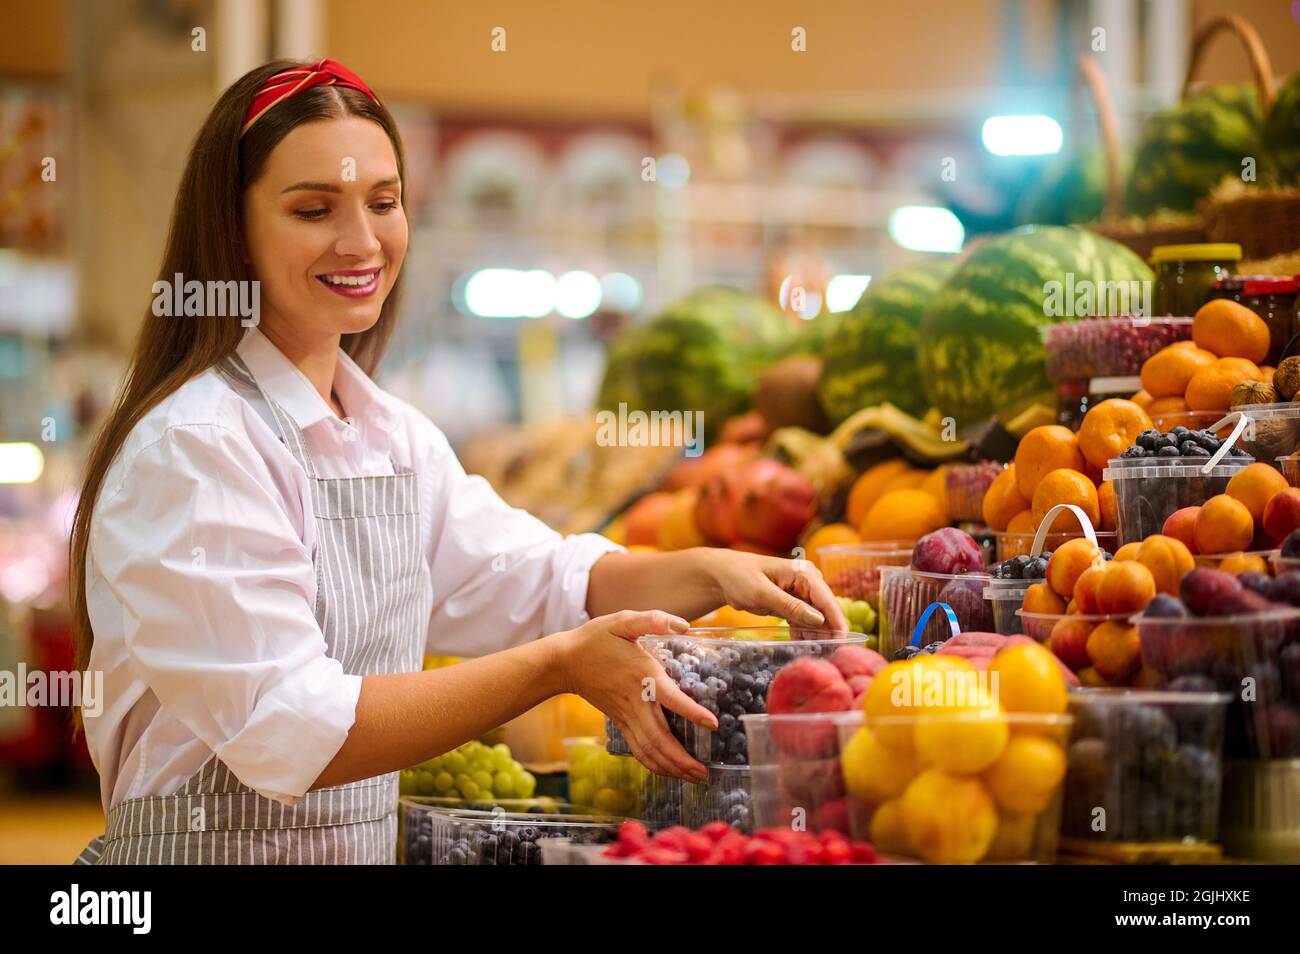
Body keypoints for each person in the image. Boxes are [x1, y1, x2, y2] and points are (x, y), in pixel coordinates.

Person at [67, 59, 846, 864]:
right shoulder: (195, 448)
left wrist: (712, 569)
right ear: (231, 227)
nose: (363, 240)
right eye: (313, 209)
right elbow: (293, 733)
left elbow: (534, 578)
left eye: (384, 201)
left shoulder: (389, 435)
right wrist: (555, 668)